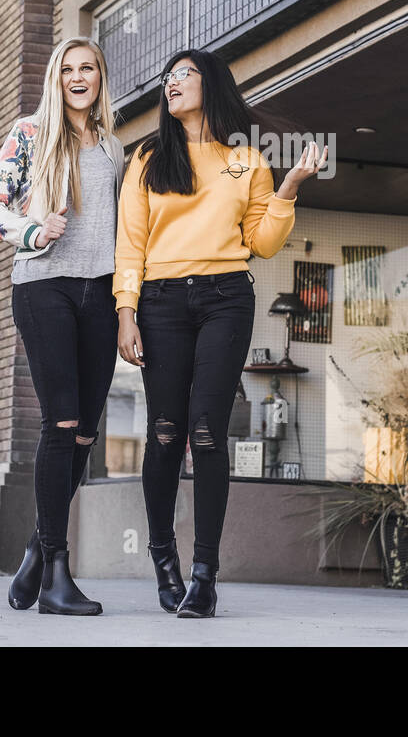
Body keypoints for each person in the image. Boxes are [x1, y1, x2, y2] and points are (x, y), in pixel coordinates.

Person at [115, 49, 327, 617]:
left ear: (211, 83)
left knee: (207, 430)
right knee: (164, 430)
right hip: (159, 302)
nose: (171, 83)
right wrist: (126, 311)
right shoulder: (149, 157)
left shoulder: (245, 160)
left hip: (225, 298)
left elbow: (261, 242)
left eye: (183, 74)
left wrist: (291, 186)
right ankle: (165, 563)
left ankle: (204, 577)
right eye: (167, 77)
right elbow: (131, 243)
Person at [0, 37, 123, 616]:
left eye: (88, 68)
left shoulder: (112, 147)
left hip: (102, 295)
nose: (78, 76)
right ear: (55, 78)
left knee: (85, 431)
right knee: (61, 422)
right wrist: (34, 231)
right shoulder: (30, 134)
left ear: (99, 77)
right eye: (68, 69)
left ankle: (37, 553)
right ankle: (59, 575)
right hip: (45, 289)